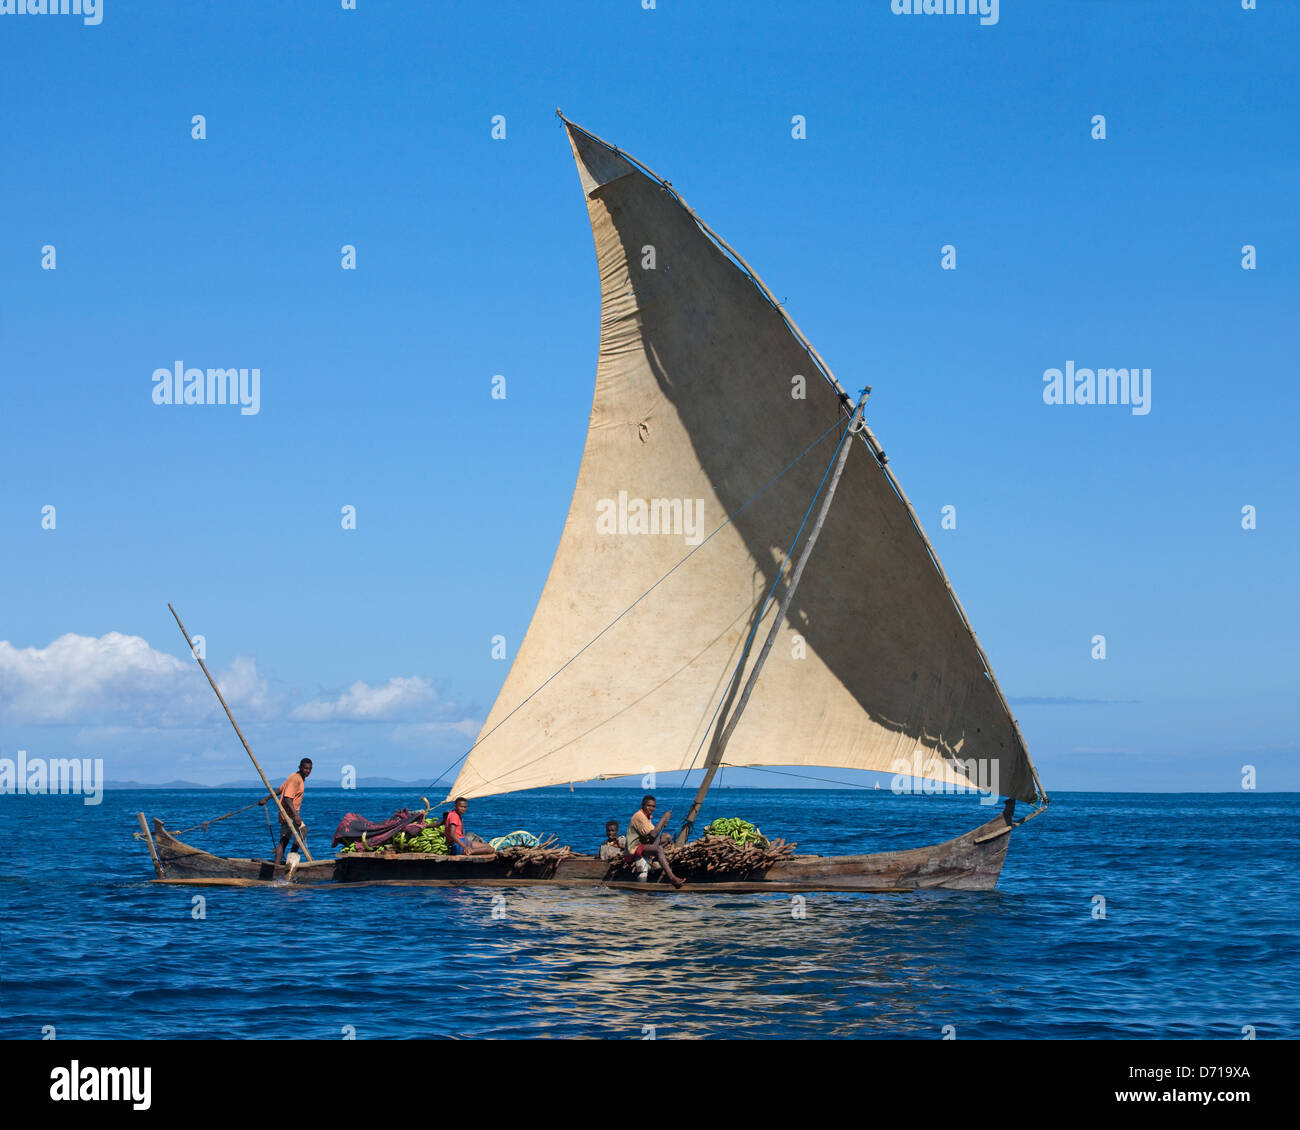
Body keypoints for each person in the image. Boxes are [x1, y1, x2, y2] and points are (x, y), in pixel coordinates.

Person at [260, 758, 311, 864]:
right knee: (303, 831)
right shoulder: (295, 779)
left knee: (285, 839)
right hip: (289, 815)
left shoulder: (296, 777)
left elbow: (280, 790)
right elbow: (287, 798)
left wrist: (266, 798)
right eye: (305, 768)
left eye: (310, 769)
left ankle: (279, 864)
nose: (308, 771)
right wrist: (296, 816)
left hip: (288, 814)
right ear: (300, 767)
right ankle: (289, 860)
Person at [626, 795, 684, 887]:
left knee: (668, 837)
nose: (651, 808)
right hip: (635, 848)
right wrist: (663, 818)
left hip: (644, 844)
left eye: (653, 806)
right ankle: (672, 878)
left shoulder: (647, 817)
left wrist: (662, 823)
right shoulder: (639, 816)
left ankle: (653, 857)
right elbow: (653, 834)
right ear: (643, 805)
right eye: (649, 805)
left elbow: (653, 834)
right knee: (659, 849)